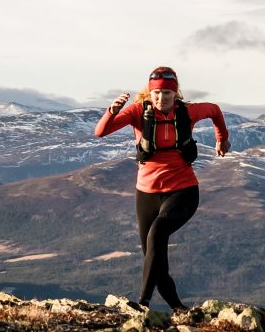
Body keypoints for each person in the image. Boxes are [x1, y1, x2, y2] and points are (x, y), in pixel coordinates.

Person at [93, 65, 231, 311]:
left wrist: (222, 138)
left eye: (166, 93)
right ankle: (179, 309)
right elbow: (100, 132)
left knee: (157, 233)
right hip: (146, 193)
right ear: (150, 93)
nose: (161, 98)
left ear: (175, 93)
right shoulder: (137, 112)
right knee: (154, 259)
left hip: (183, 190)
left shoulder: (188, 112)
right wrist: (112, 111)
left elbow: (215, 111)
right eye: (156, 93)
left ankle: (142, 303)